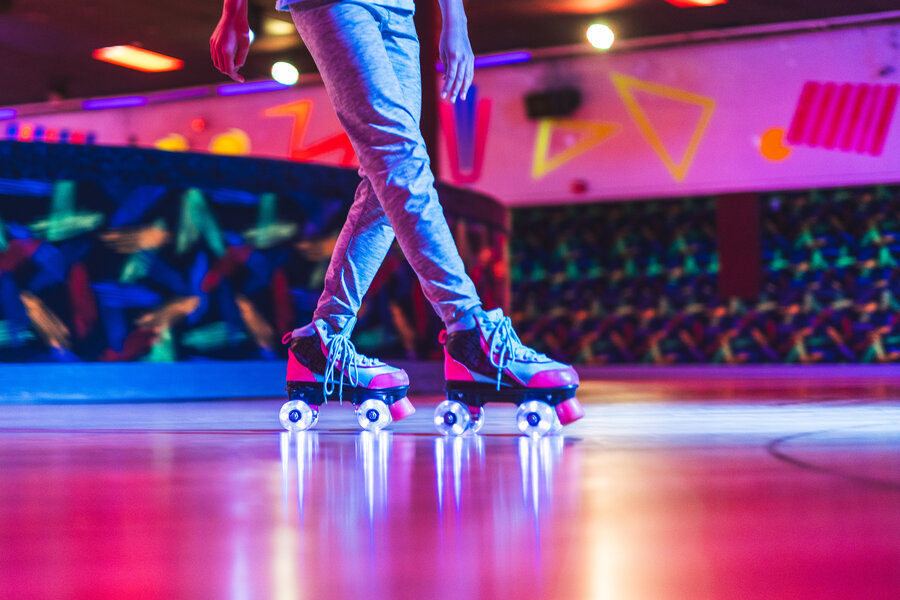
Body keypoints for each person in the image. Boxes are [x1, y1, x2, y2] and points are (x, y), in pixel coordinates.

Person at [210, 0, 583, 433]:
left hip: (399, 10)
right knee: (399, 157)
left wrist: (455, 19)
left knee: (383, 179)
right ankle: (467, 328)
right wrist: (234, 12)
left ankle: (322, 342)